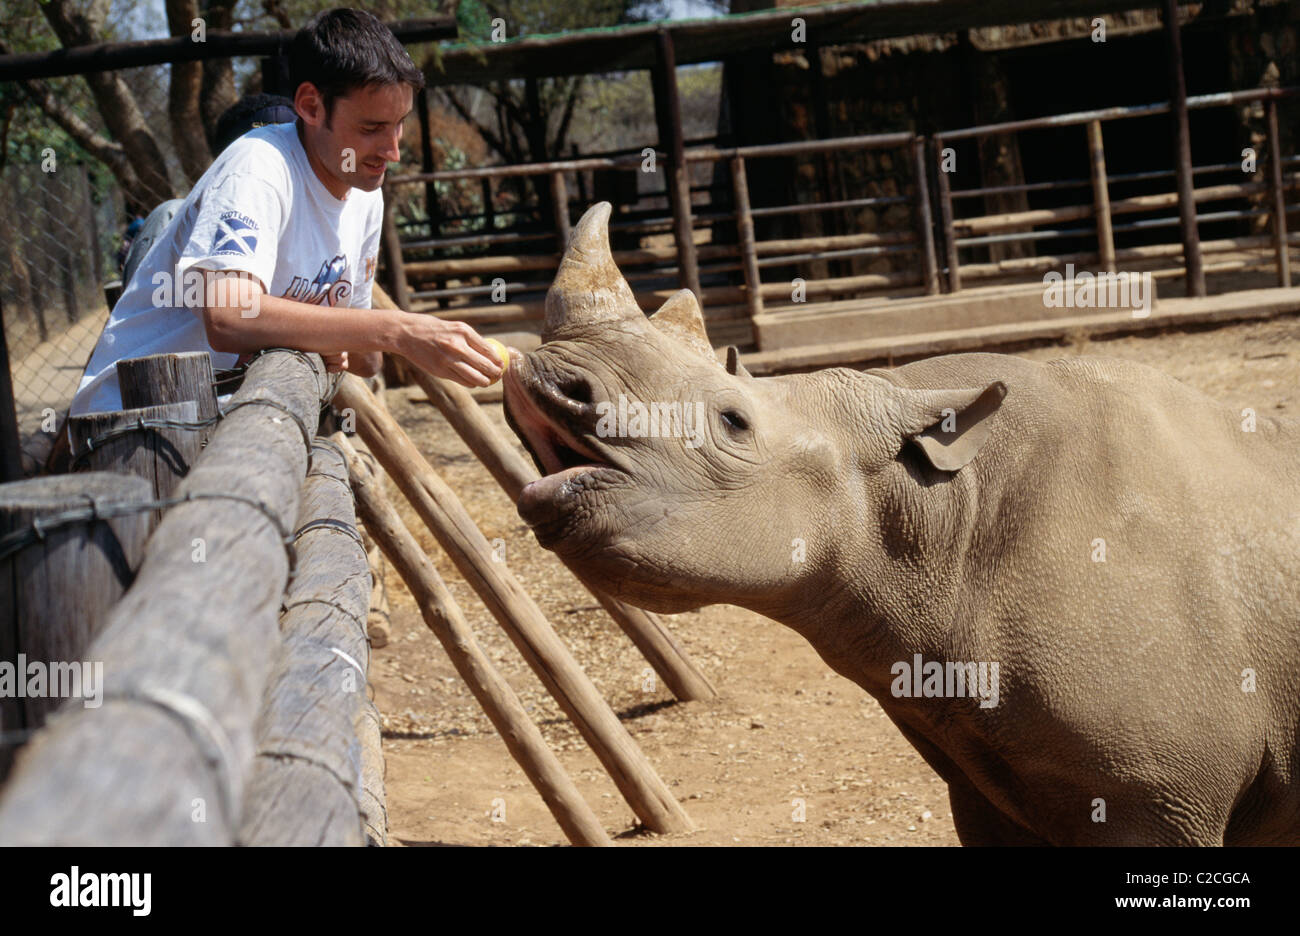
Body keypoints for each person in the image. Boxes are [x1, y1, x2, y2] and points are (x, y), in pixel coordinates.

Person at [70, 7, 501, 417]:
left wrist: (342, 335)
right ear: (311, 106)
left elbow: (365, 360)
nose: (394, 151)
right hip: (136, 427)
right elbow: (230, 315)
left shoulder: (365, 193)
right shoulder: (257, 167)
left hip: (235, 422)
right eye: (371, 128)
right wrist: (400, 331)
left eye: (399, 122)